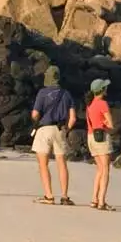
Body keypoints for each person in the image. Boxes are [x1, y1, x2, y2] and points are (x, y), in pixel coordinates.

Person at [29, 66, 76, 205]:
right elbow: (72, 118)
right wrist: (66, 130)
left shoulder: (42, 93)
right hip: (59, 129)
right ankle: (65, 196)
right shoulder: (66, 94)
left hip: (44, 129)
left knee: (43, 164)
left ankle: (49, 196)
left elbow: (35, 114)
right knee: (61, 163)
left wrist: (36, 120)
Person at [84, 78, 116, 211]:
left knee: (99, 169)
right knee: (106, 170)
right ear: (102, 90)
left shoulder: (89, 104)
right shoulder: (103, 103)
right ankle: (102, 200)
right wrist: (107, 126)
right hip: (102, 138)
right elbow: (111, 124)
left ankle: (94, 199)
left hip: (91, 137)